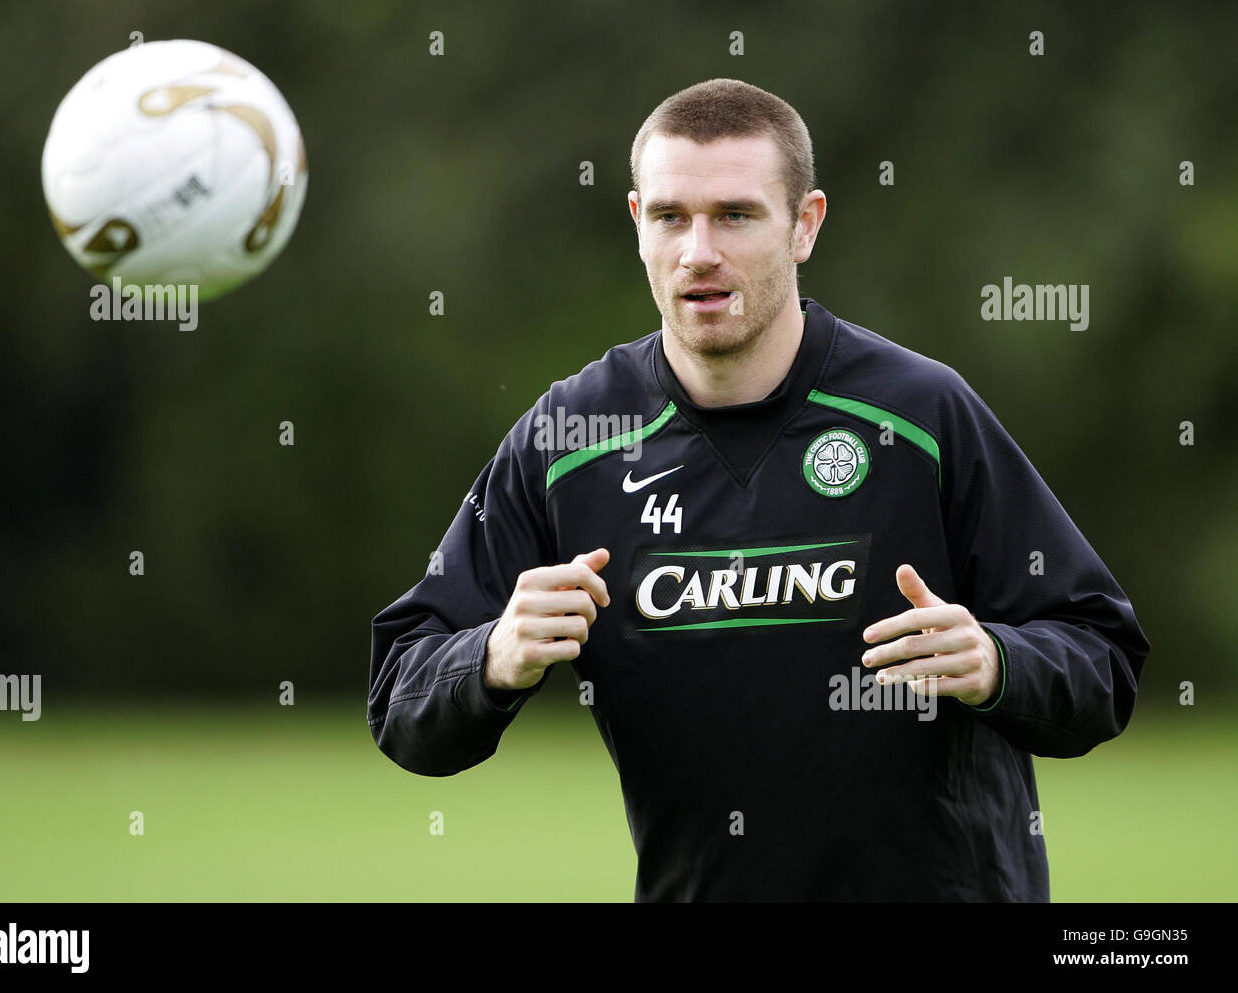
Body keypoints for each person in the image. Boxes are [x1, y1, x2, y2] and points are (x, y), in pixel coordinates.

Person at [367, 78, 1150, 901]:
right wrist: (490, 659)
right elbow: (401, 698)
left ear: (805, 224)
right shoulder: (569, 440)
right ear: (637, 224)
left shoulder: (920, 415)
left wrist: (997, 662)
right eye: (671, 217)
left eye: (735, 215)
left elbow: (1103, 656)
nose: (698, 250)